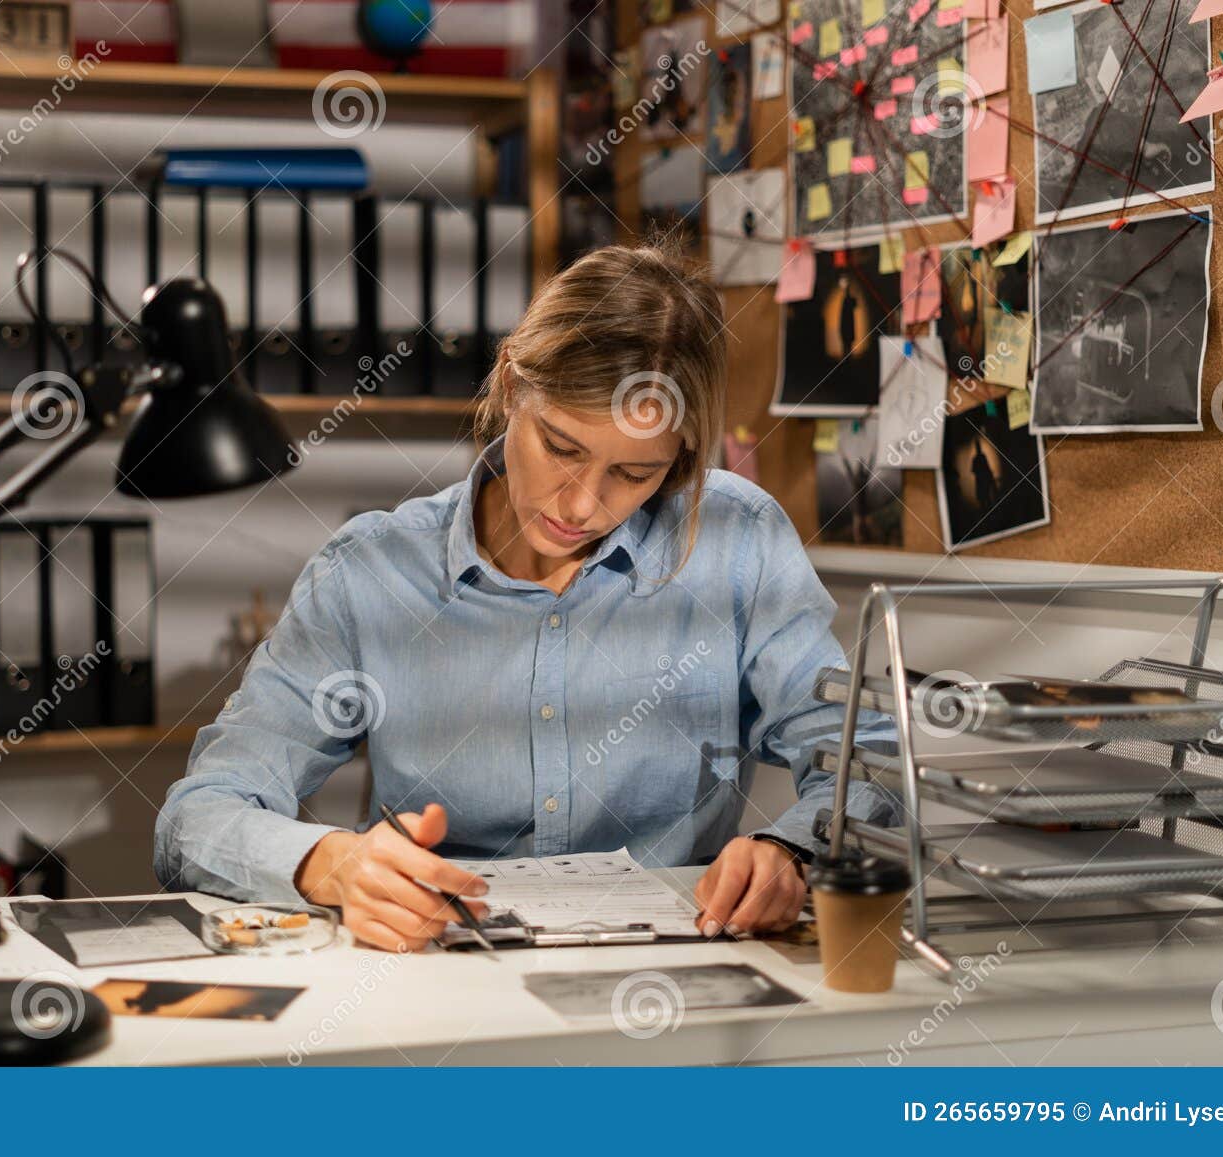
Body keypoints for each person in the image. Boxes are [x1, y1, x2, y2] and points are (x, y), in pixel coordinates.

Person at [155, 241, 901, 952]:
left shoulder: (738, 541)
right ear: (512, 383)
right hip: (447, 1004)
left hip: (680, 992)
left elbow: (863, 762)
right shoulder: (370, 575)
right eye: (562, 448)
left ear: (677, 458)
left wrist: (789, 849)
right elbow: (197, 815)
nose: (581, 504)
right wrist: (332, 862)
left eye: (633, 474)